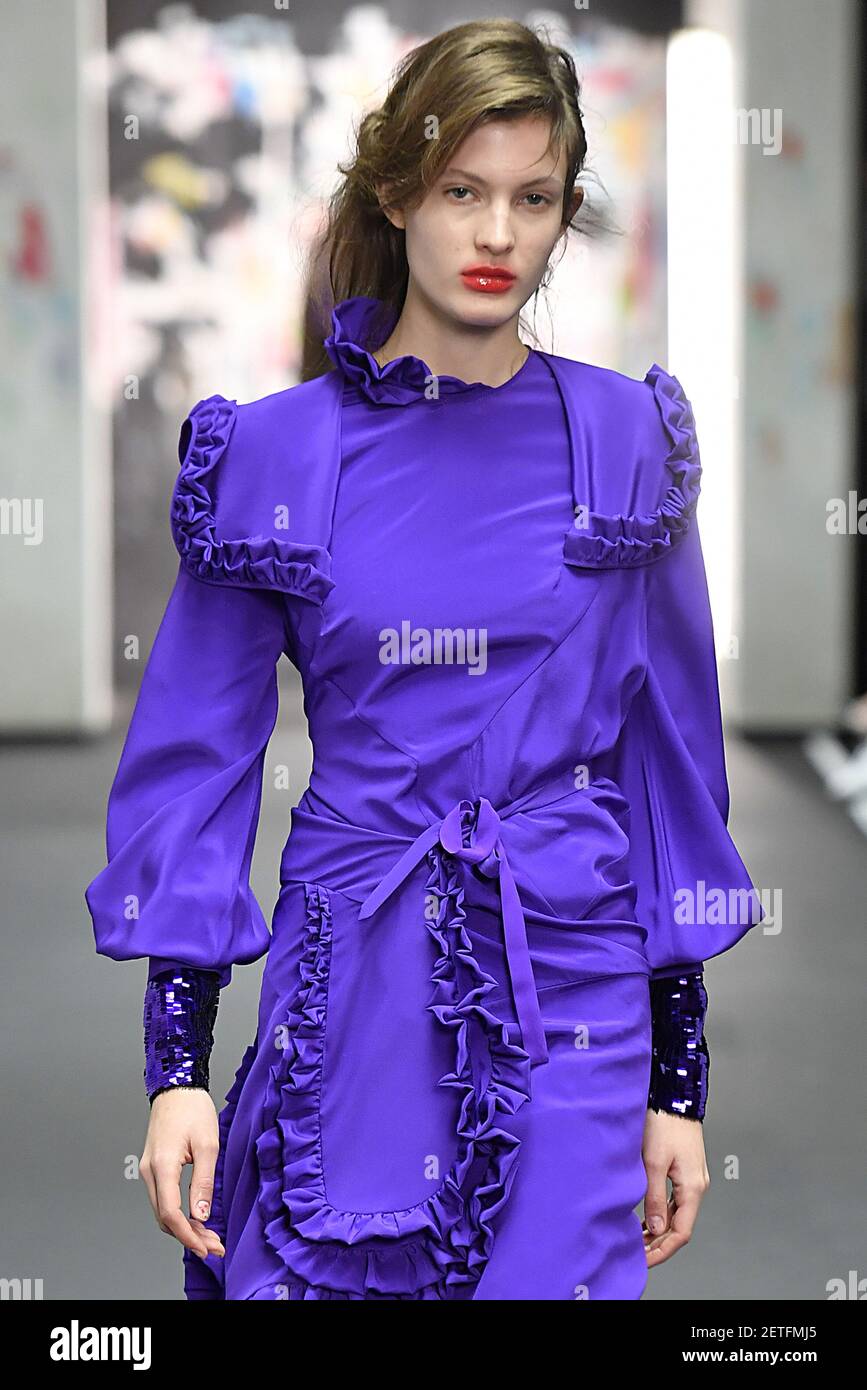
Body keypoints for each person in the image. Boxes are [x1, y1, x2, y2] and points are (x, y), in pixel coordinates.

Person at [85, 18, 763, 1301]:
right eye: (463, 191)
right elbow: (197, 770)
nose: (498, 234)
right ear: (395, 193)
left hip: (576, 975)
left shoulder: (628, 444)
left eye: (534, 198)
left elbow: (668, 770)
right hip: (351, 972)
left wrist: (679, 1084)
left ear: (566, 213)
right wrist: (177, 1068)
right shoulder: (275, 460)